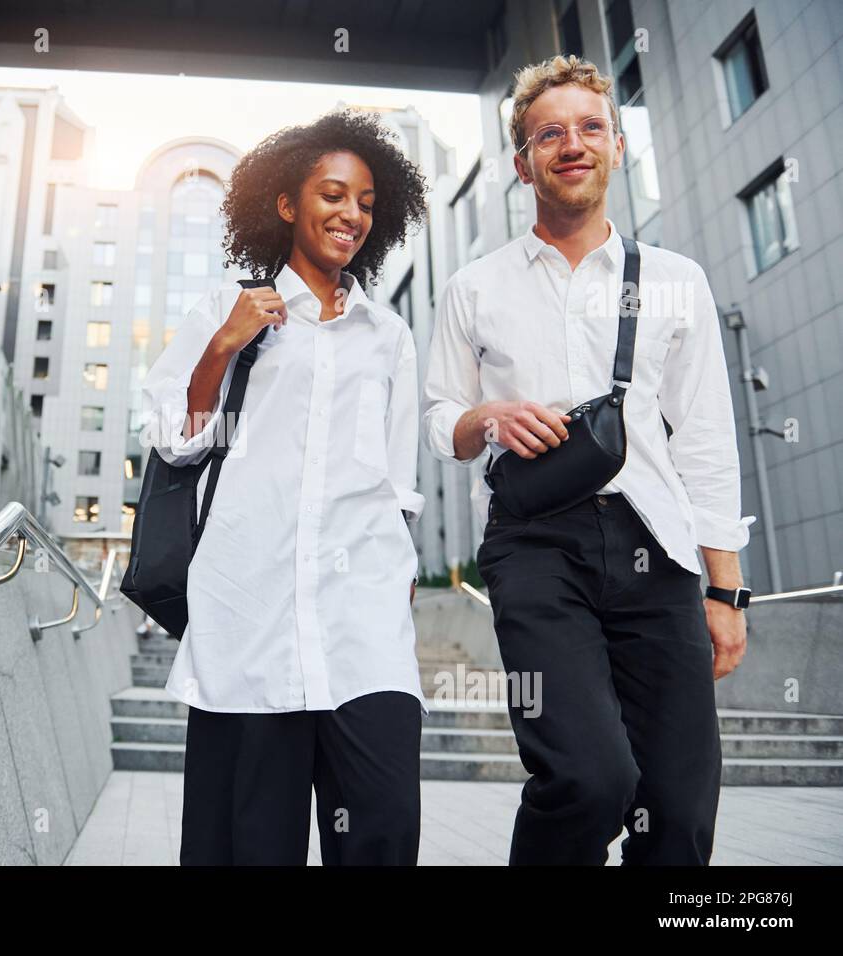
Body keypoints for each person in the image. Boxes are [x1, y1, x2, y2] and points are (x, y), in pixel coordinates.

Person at [421, 55, 752, 865]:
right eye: (550, 133)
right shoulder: (474, 287)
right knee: (590, 778)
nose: (573, 144)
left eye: (591, 127)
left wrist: (726, 587)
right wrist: (484, 419)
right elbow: (436, 419)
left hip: (658, 548)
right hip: (535, 548)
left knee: (678, 811)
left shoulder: (675, 281)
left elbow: (704, 434)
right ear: (522, 163)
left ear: (617, 148)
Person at [140, 109, 429, 865]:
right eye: (333, 195)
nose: (351, 215)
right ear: (286, 204)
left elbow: (399, 484)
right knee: (247, 845)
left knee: (385, 824)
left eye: (366, 202)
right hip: (249, 616)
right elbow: (175, 436)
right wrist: (224, 345)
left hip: (361, 621)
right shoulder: (226, 311)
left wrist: (395, 588)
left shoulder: (389, 337)